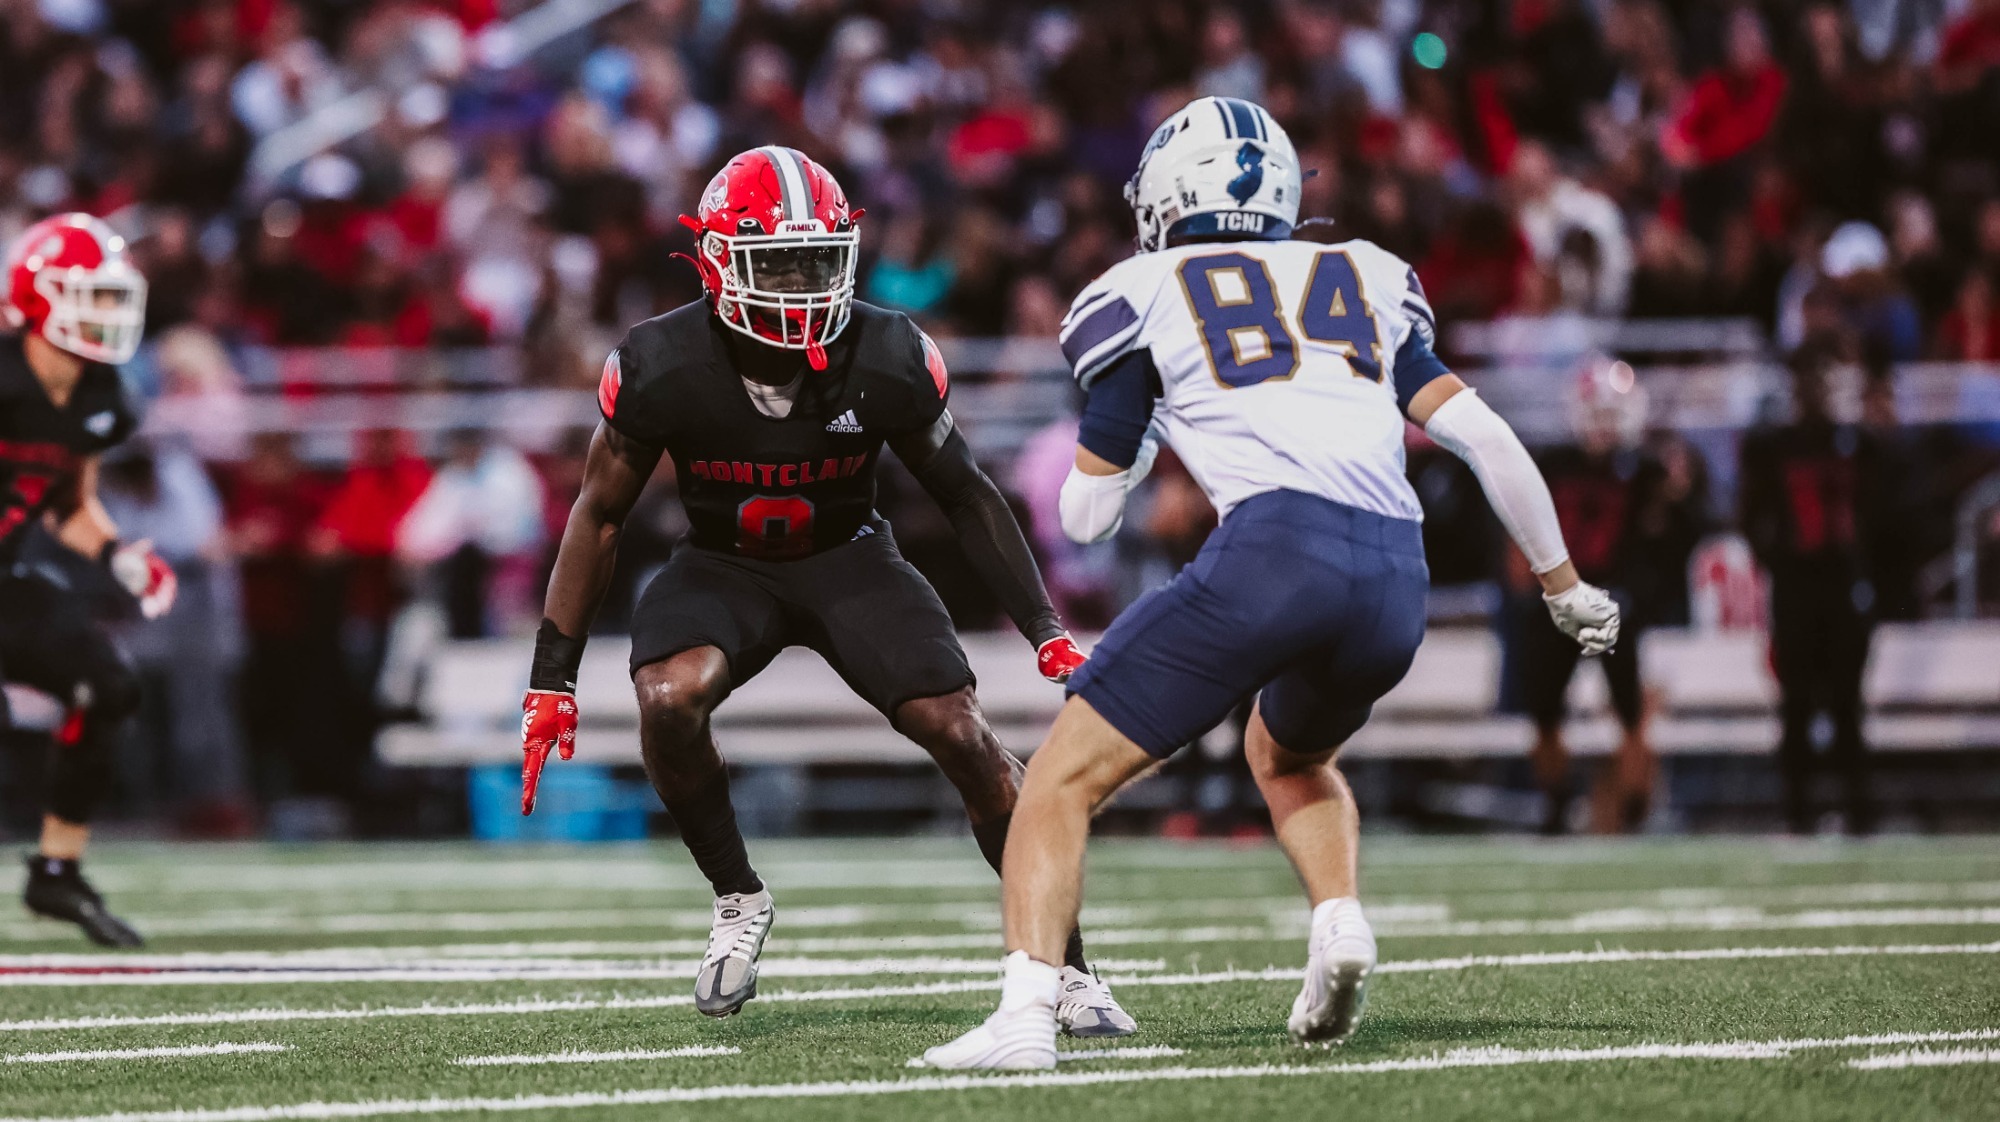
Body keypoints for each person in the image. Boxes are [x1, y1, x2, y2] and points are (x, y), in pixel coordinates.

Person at [919, 98, 1618, 1070]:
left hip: (1274, 551)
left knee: (1054, 784)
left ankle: (1025, 1015)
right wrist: (1562, 583)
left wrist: (1148, 426)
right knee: (1285, 753)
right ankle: (1338, 924)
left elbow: (1084, 519)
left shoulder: (1141, 290)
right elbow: (1482, 435)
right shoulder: (1363, 274)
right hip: (1392, 574)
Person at [519, 147, 1131, 1035]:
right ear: (718, 263)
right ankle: (738, 897)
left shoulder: (884, 350)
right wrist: (552, 675)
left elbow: (964, 491)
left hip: (849, 554)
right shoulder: (661, 361)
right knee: (668, 694)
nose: (803, 285)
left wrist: (1042, 625)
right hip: (724, 560)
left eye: (817, 260)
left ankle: (1069, 970)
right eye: (778, 264)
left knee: (962, 734)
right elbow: (598, 517)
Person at [0, 214, 177, 946]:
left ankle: (57, 871)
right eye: (93, 296)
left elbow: (69, 505)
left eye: (112, 297)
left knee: (107, 683)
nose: (108, 314)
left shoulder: (101, 393)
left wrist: (116, 556)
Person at [1505, 359, 1659, 834]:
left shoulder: (1644, 471)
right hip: (1559, 597)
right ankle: (1556, 803)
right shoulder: (1555, 464)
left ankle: (1634, 810)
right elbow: (1520, 528)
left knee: (1630, 711)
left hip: (1613, 599)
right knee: (1546, 713)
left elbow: (1658, 543)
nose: (1603, 424)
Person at [1738, 342, 1884, 834]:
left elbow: (1883, 515)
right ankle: (1798, 811)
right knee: (1797, 702)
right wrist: (1774, 556)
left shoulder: (1857, 442)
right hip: (1798, 584)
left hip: (1842, 583)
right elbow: (1751, 513)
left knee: (1846, 701)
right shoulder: (1774, 446)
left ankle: (1858, 808)